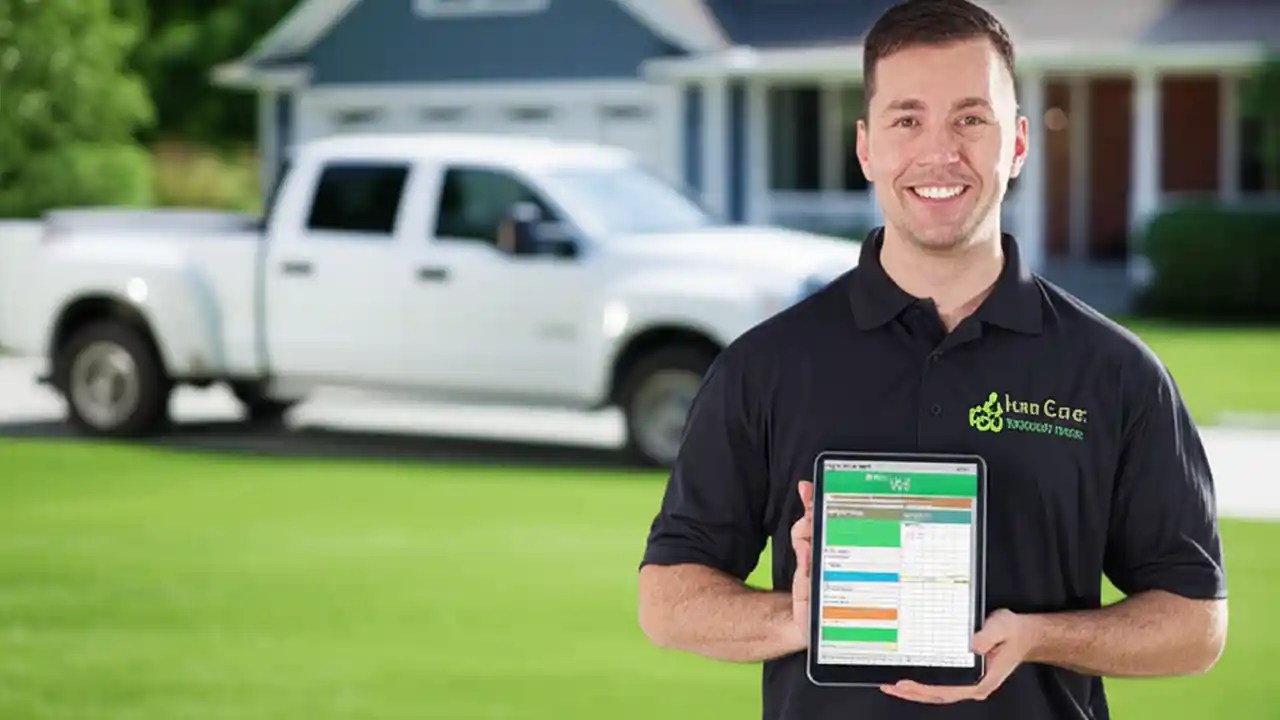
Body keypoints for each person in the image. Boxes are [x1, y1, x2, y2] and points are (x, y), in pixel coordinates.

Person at [635, 1, 1229, 718]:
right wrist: (797, 619)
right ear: (866, 147)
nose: (939, 152)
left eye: (970, 119)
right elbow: (667, 598)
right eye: (907, 119)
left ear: (1015, 144)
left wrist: (1038, 637)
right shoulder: (764, 366)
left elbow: (1196, 625)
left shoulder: (1116, 374)